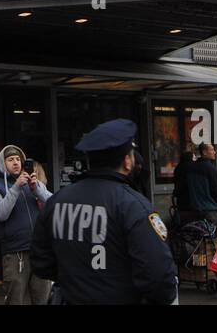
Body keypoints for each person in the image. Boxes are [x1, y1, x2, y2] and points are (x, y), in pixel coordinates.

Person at [30, 119, 178, 305]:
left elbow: (41, 263)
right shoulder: (133, 206)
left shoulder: (57, 201)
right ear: (127, 161)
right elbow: (160, 278)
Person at [0, 143, 53, 304]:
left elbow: (53, 203)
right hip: (14, 253)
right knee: (14, 300)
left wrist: (37, 188)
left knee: (43, 299)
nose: (16, 162)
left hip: (38, 249)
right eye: (10, 159)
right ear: (3, 163)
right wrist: (16, 187)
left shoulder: (33, 183)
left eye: (18, 159)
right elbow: (1, 214)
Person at [185, 142, 217, 230]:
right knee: (215, 239)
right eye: (212, 150)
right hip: (210, 209)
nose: (214, 152)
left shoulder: (191, 167)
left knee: (197, 238)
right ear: (204, 152)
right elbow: (216, 190)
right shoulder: (210, 168)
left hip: (194, 209)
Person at [173, 143, 196, 221]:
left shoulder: (178, 168)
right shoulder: (192, 168)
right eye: (194, 157)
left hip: (181, 201)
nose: (195, 159)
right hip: (191, 201)